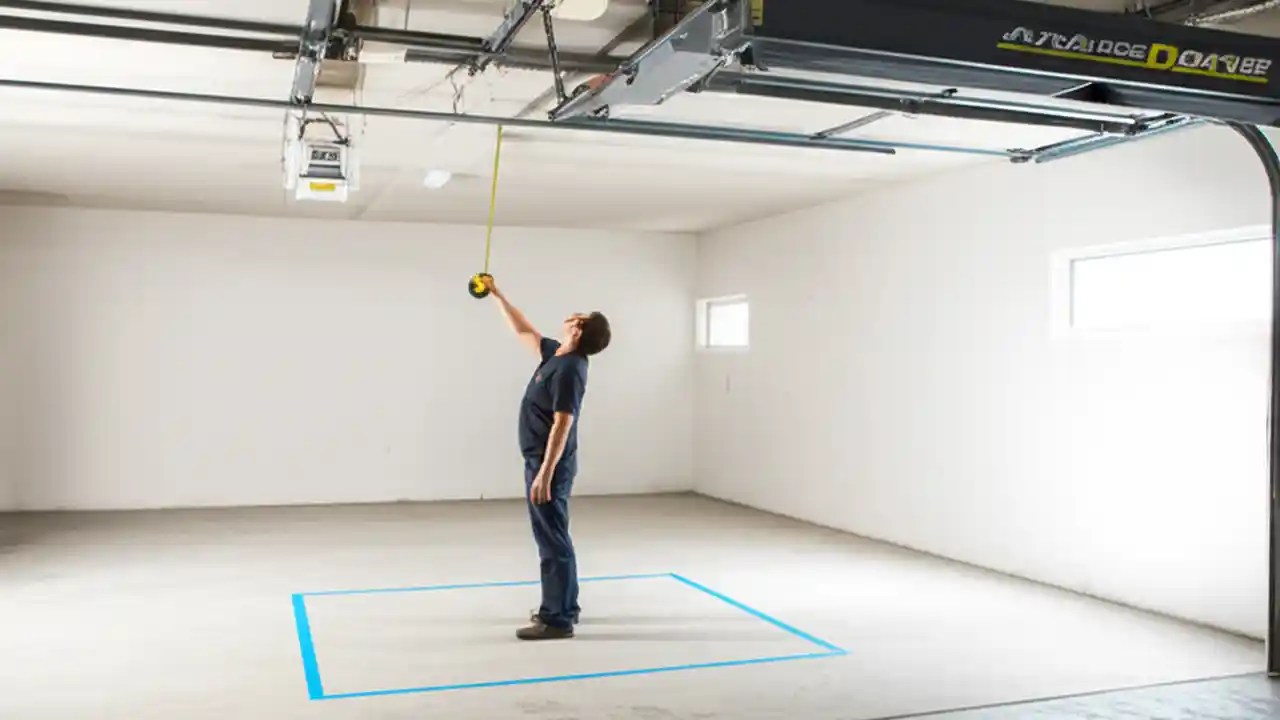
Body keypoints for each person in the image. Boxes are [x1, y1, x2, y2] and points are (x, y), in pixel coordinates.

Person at [481, 275, 612, 640]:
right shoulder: (558, 355)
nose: (572, 314)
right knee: (554, 535)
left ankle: (557, 619)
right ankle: (565, 605)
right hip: (540, 462)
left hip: (547, 464)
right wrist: (498, 295)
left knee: (551, 539)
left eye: (579, 316)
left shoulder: (570, 370)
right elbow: (525, 331)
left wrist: (544, 474)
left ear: (579, 328)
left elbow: (563, 423)